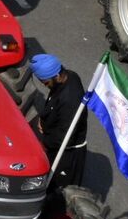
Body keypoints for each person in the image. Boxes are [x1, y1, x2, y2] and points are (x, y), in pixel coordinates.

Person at [30, 54, 88, 195]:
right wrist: (43, 119)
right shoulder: (69, 75)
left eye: (45, 83)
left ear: (56, 76)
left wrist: (44, 143)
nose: (45, 86)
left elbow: (63, 137)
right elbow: (53, 100)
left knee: (58, 192)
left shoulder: (69, 100)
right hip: (54, 137)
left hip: (66, 152)